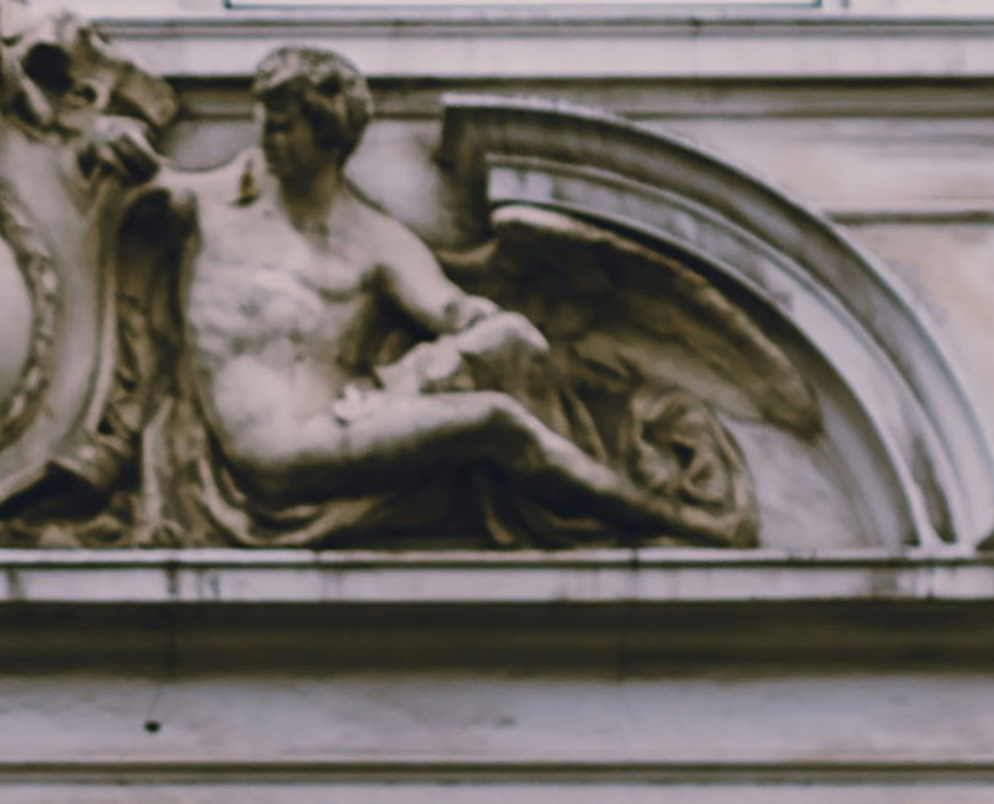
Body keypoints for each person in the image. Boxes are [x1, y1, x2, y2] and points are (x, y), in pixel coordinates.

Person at [134, 43, 680, 544]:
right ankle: (661, 519)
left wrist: (477, 319)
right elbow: (137, 181)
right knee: (496, 420)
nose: (267, 142)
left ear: (329, 136)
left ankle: (649, 515)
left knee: (510, 341)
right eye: (266, 125)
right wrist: (113, 141)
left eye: (283, 129)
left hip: (338, 426)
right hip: (273, 449)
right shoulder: (214, 202)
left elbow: (448, 309)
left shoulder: (375, 239)